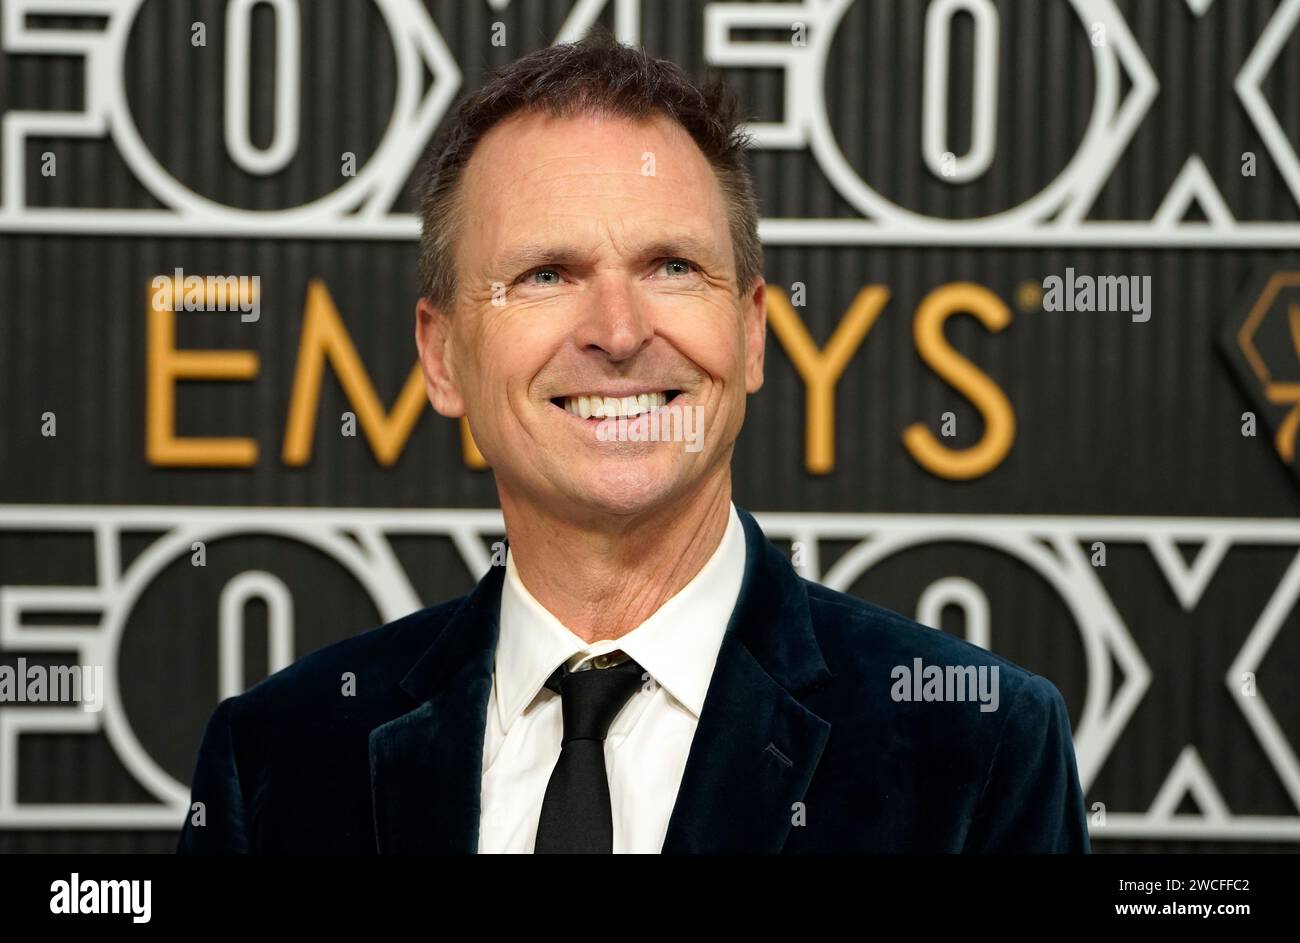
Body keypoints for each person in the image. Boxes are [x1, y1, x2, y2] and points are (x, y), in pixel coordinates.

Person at [177, 30, 1090, 854]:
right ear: (442, 354)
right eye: (545, 274)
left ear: (754, 331)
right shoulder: (277, 759)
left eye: (673, 267)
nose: (617, 331)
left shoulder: (980, 747)